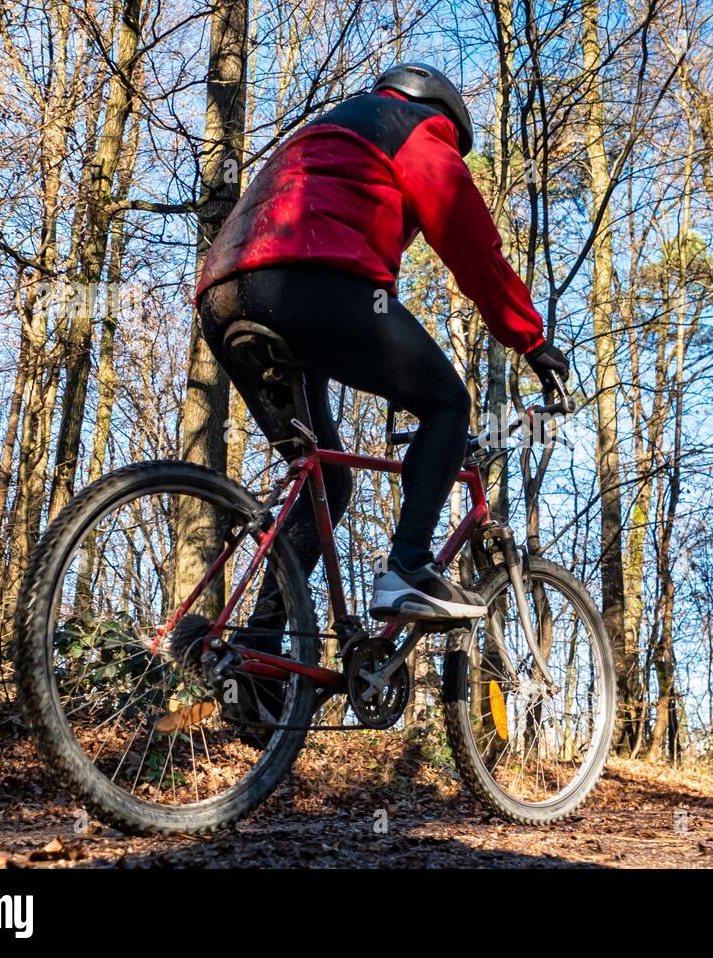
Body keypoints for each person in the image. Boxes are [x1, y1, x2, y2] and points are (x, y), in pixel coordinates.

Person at [194, 62, 569, 647]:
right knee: (447, 403)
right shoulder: (417, 128)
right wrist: (532, 339)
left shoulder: (331, 130)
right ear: (444, 116)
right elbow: (472, 245)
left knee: (326, 481)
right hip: (310, 279)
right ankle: (409, 567)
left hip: (223, 295)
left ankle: (258, 653)